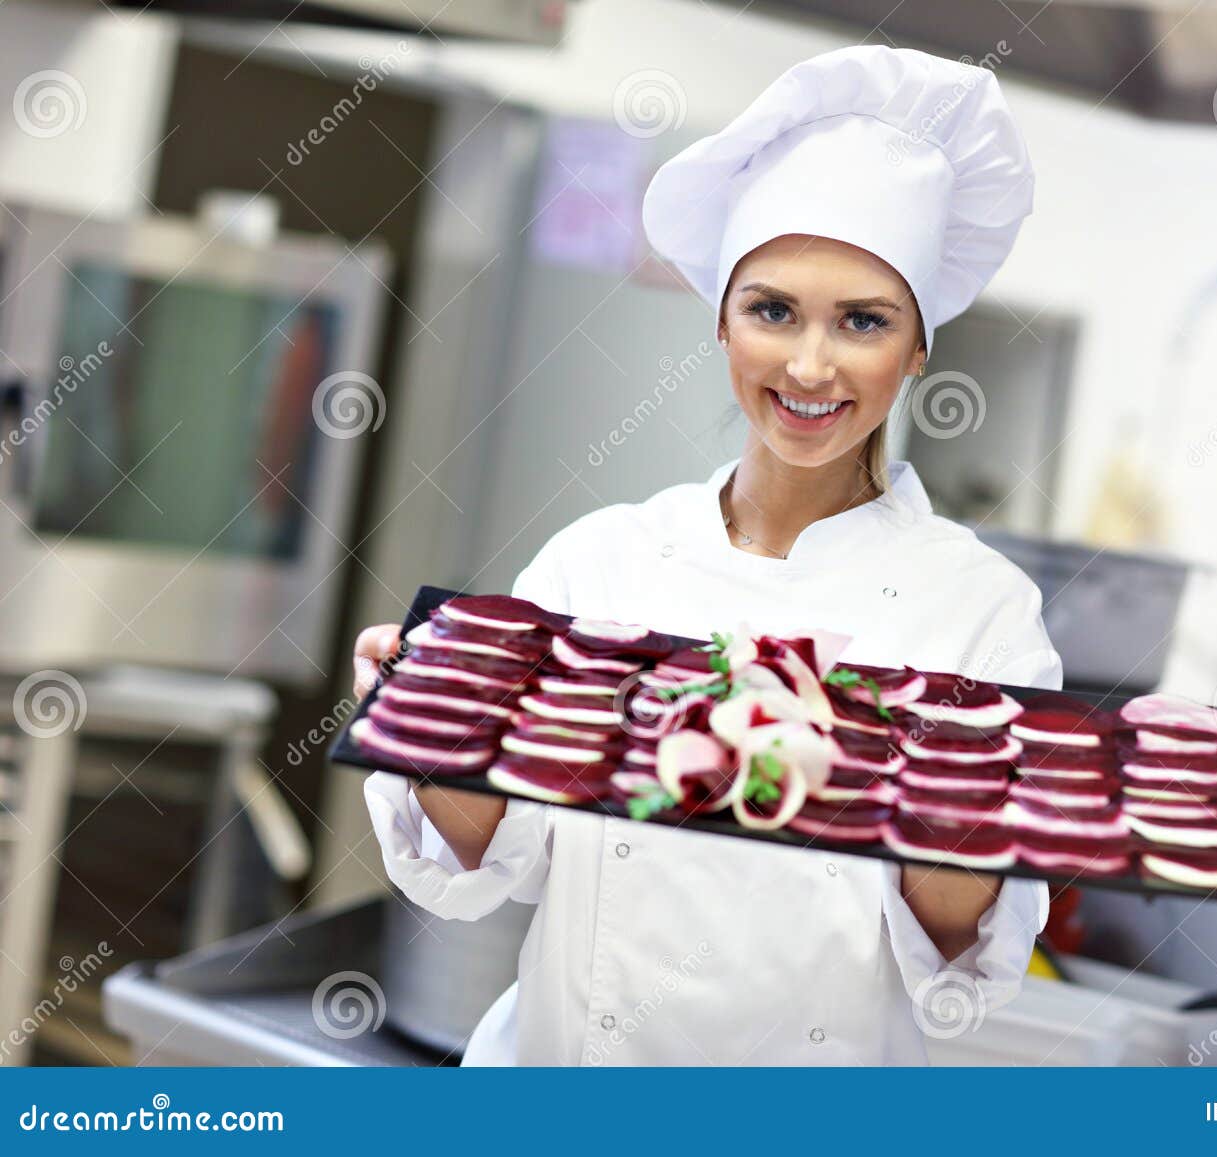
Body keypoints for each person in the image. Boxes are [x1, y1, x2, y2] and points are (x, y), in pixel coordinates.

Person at [355, 44, 1063, 1065]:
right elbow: (476, 862)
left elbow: (956, 957)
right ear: (722, 321)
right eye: (771, 310)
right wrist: (428, 730)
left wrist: (962, 815)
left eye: (862, 321)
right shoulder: (602, 564)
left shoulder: (978, 612)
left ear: (916, 348)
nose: (809, 365)